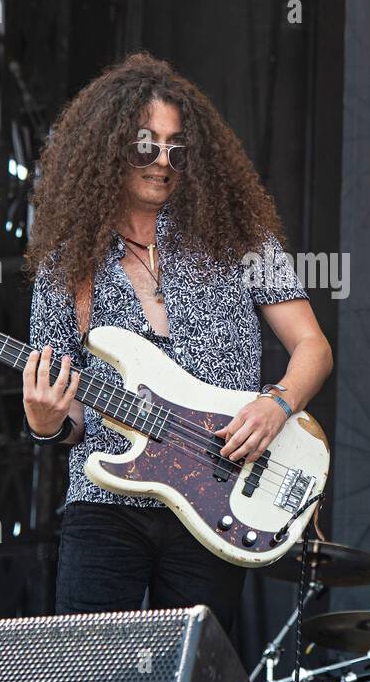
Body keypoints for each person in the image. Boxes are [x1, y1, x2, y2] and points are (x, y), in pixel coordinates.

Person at [23, 51, 333, 633]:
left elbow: (314, 347)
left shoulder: (240, 238)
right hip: (107, 503)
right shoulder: (68, 264)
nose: (163, 160)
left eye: (176, 148)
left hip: (217, 497)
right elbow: (67, 420)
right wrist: (45, 422)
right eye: (146, 145)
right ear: (107, 148)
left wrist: (277, 403)